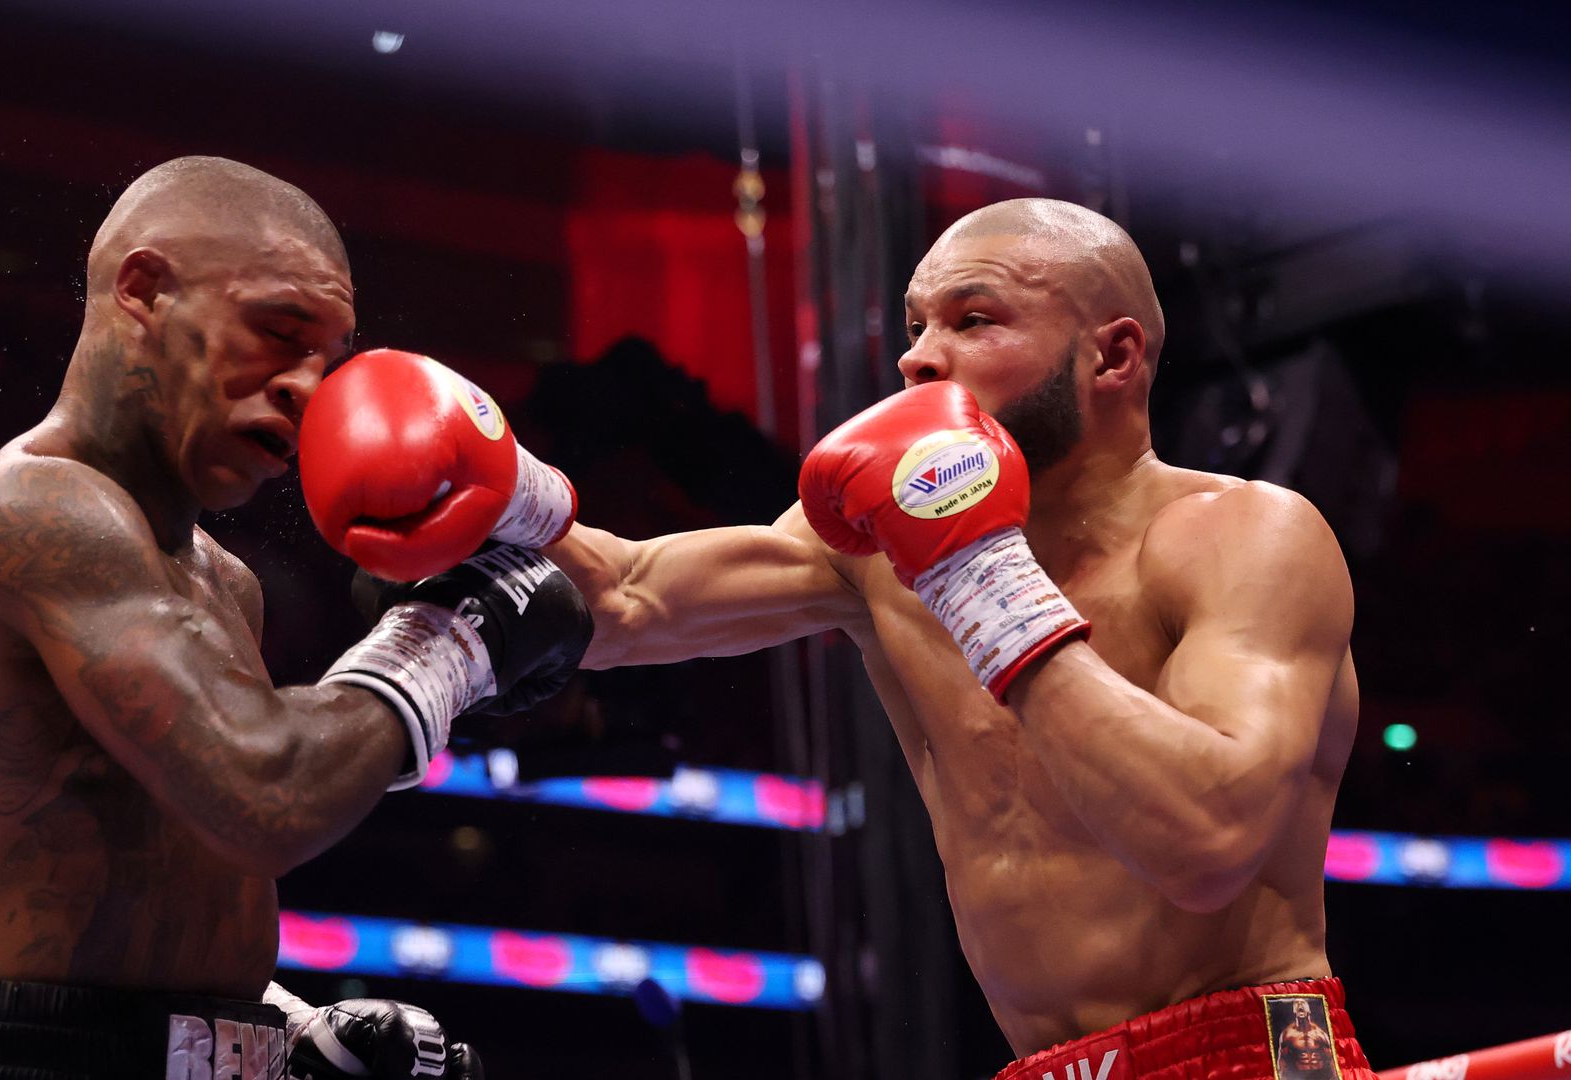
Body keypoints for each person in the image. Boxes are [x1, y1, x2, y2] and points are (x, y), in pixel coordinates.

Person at [299, 198, 1372, 1080]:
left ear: (1115, 355)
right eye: (913, 326)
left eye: (973, 320)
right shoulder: (876, 548)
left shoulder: (1243, 537)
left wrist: (982, 580)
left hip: (1246, 1053)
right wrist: (502, 490)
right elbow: (629, 597)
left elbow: (1208, 843)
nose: (919, 360)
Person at [0, 156, 590, 1079]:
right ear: (143, 293)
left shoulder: (225, 580)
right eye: (277, 331)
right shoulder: (29, 510)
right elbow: (268, 795)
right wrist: (455, 637)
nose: (306, 388)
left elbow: (175, 871)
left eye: (324, 359)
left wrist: (288, 1029)